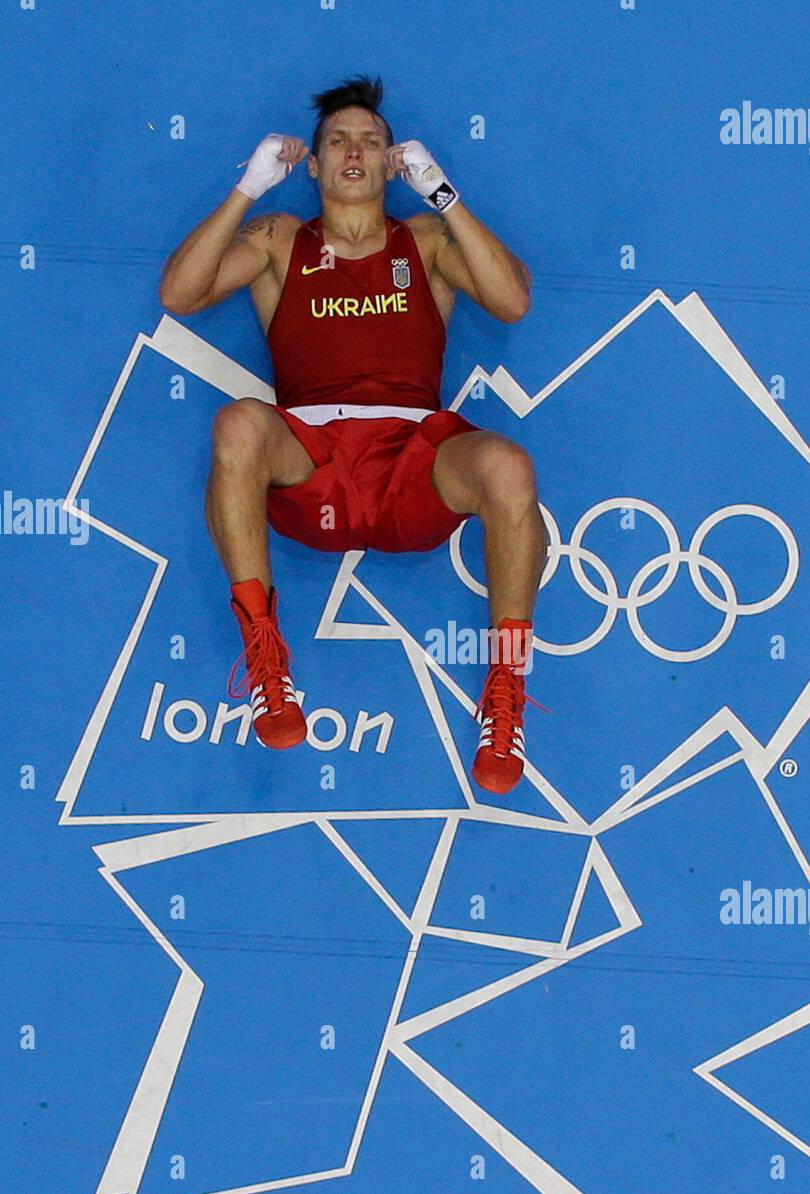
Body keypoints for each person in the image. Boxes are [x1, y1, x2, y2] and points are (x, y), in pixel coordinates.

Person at [159, 75, 546, 794]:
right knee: (239, 421)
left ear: (394, 160)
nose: (354, 152)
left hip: (412, 469)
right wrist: (247, 190)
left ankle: (506, 692)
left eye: (371, 140)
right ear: (312, 165)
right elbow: (179, 295)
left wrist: (445, 195)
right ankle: (267, 660)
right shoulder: (280, 240)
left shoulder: (426, 240)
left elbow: (512, 300)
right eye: (337, 141)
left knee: (509, 467)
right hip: (313, 464)